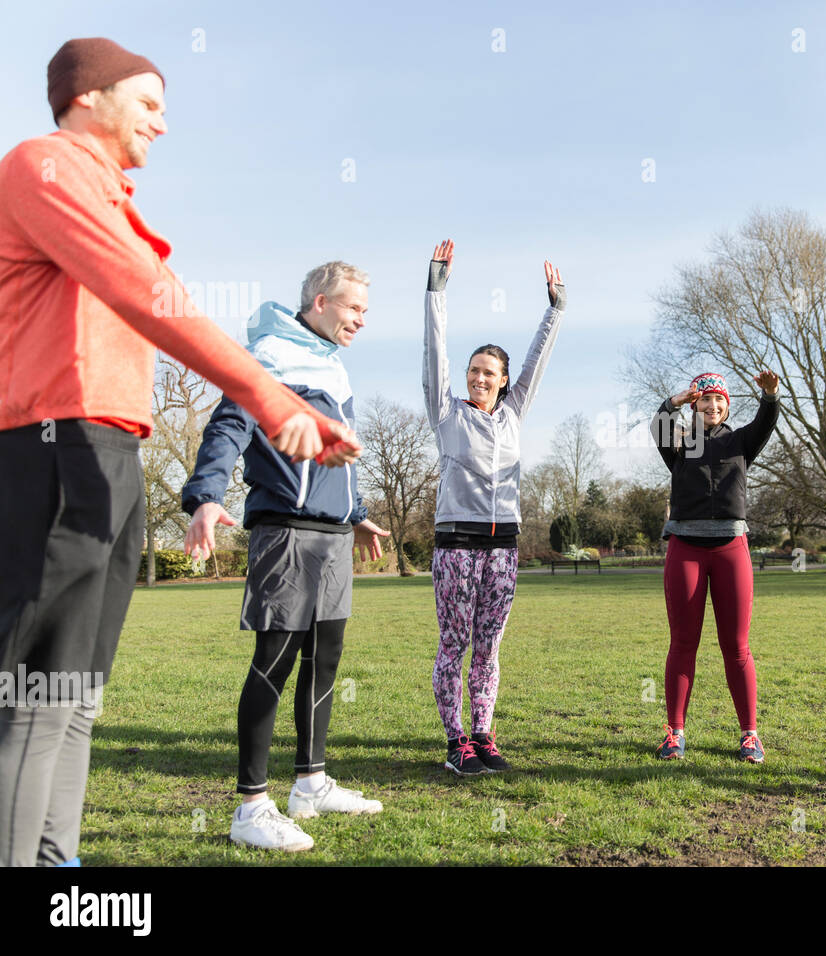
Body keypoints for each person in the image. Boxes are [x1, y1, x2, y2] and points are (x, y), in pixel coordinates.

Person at [0, 38, 359, 868]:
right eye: (149, 101)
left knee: (78, 693)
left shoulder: (108, 194)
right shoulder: (45, 167)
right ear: (89, 97)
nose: (164, 121)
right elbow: (151, 294)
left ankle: (61, 867)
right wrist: (271, 398)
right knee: (36, 694)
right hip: (55, 449)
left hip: (109, 454)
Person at [182, 262, 391, 852]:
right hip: (286, 536)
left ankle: (312, 784)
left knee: (325, 659)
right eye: (354, 309)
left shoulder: (331, 363)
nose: (361, 320)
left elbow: (331, 456)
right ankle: (251, 807)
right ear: (321, 302)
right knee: (275, 660)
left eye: (366, 312)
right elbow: (228, 428)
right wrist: (204, 497)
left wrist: (355, 512)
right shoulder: (270, 352)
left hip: (331, 538)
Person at [423, 239, 565, 775]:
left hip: (503, 547)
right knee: (455, 642)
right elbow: (433, 354)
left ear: (504, 382)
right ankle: (455, 739)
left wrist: (555, 309)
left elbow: (538, 360)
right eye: (474, 370)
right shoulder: (446, 413)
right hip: (456, 545)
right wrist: (436, 289)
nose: (479, 377)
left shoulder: (514, 414)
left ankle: (484, 733)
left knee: (488, 647)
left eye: (490, 372)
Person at [650, 369, 779, 763]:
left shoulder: (741, 441)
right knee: (683, 643)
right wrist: (673, 403)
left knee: (736, 647)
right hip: (686, 549)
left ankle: (750, 735)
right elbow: (658, 429)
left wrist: (770, 395)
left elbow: (765, 422)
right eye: (705, 399)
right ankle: (675, 733)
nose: (712, 405)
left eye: (719, 400)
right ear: (696, 404)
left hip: (730, 550)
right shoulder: (681, 443)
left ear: (727, 405)